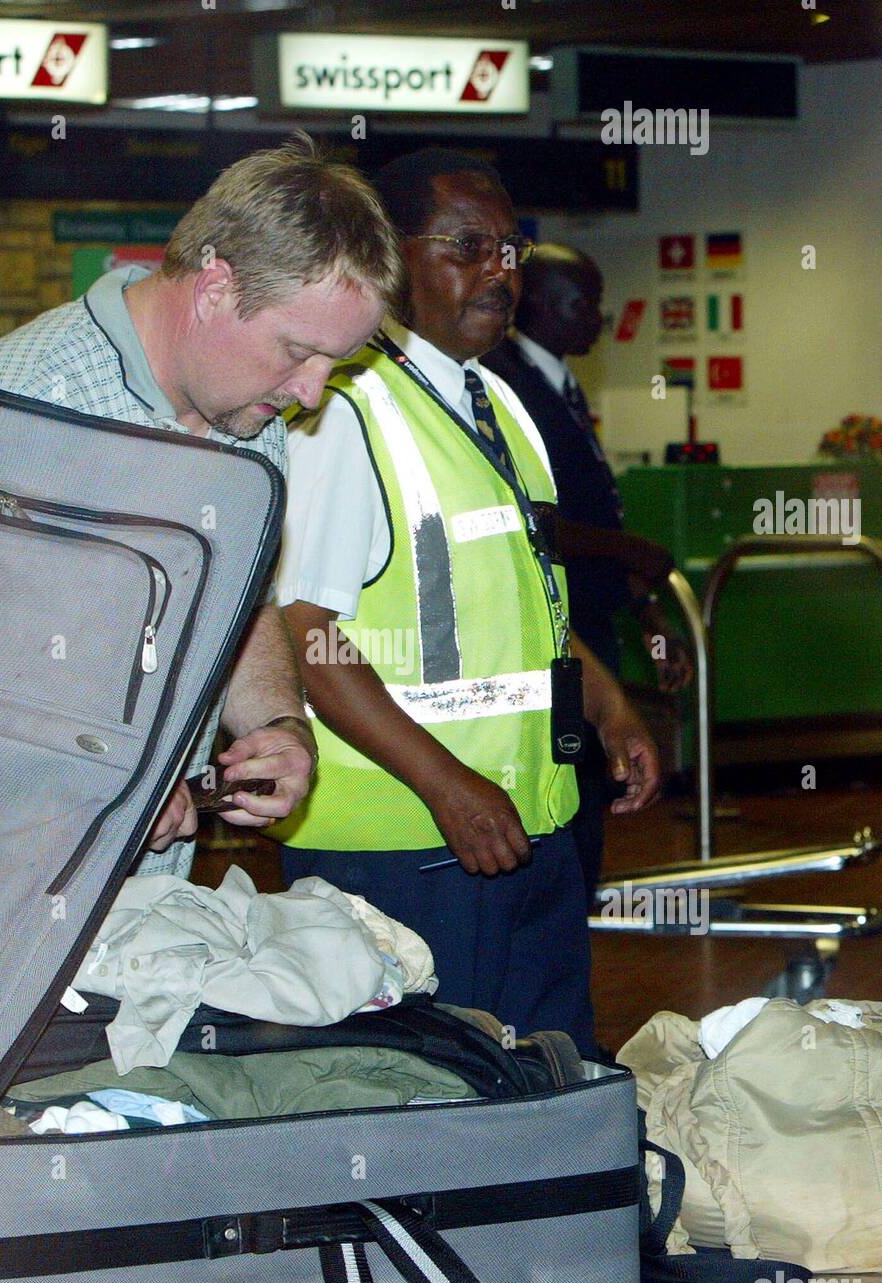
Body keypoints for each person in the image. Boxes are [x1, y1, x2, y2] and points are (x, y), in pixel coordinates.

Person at [269, 149, 660, 1056]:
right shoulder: (343, 413)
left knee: (544, 1077)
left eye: (510, 250)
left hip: (531, 825)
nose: (499, 271)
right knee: (431, 1099)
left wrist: (608, 709)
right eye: (466, 246)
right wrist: (447, 785)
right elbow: (306, 640)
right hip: (405, 846)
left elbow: (530, 599)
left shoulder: (497, 404)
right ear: (389, 257)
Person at [0, 134, 398, 883]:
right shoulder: (26, 407)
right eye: (296, 350)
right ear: (214, 288)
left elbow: (242, 601)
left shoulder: (246, 416)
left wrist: (275, 723)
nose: (311, 394)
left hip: (140, 885)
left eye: (338, 363)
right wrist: (99, 776)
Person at [483, 246, 693, 902]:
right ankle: (563, 921)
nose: (597, 318)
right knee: (566, 797)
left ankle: (577, 917)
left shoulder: (563, 384)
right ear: (536, 303)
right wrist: (627, 548)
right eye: (584, 303)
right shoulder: (503, 380)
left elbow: (589, 502)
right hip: (547, 629)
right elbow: (530, 519)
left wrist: (650, 622)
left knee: (589, 801)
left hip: (592, 617)